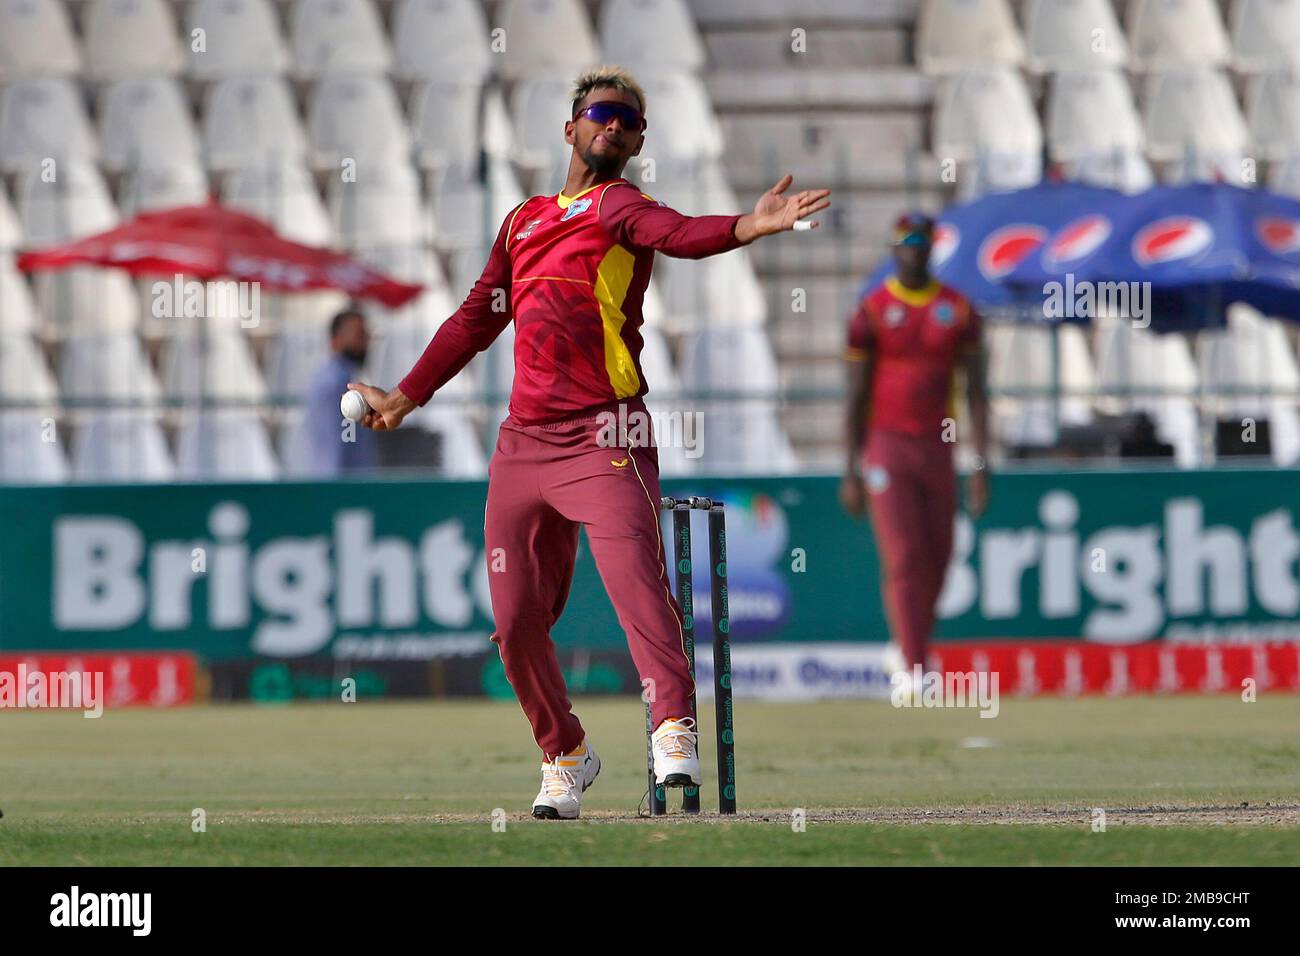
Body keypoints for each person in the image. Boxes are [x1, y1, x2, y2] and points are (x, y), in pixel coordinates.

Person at [348, 65, 829, 819]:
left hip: (607, 433)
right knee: (513, 622)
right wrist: (406, 397)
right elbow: (478, 318)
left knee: (639, 588)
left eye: (629, 122)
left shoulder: (620, 207)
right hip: (521, 446)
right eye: (601, 113)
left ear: (638, 144)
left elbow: (679, 234)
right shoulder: (523, 220)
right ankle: (565, 753)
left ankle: (673, 728)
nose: (614, 126)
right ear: (571, 127)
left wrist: (746, 225)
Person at [840, 213, 990, 684]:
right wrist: (851, 468)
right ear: (893, 248)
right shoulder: (872, 309)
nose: (913, 249)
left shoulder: (959, 310)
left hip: (939, 446)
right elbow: (856, 396)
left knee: (939, 556)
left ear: (932, 248)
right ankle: (914, 666)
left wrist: (982, 465)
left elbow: (977, 393)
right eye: (905, 241)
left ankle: (908, 647)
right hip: (887, 446)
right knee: (904, 555)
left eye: (921, 241)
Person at [303, 307, 376, 476]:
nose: (365, 343)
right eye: (359, 336)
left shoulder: (344, 378)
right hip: (342, 486)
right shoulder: (336, 382)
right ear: (336, 339)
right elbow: (334, 442)